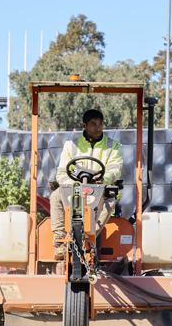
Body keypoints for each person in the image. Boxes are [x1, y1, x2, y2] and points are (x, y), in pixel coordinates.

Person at [50, 109, 123, 259]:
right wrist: (74, 186)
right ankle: (60, 242)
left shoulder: (113, 146)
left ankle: (90, 237)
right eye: (93, 124)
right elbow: (62, 172)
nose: (98, 128)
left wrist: (104, 179)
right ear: (84, 125)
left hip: (100, 189)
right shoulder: (71, 145)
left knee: (110, 202)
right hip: (74, 189)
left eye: (100, 124)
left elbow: (115, 168)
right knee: (55, 195)